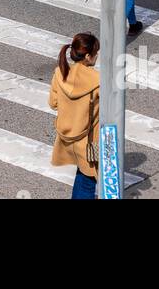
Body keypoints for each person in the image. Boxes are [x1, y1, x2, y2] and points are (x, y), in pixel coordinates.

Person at [49, 33, 101, 199]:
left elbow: (53, 103)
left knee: (83, 173)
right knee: (89, 179)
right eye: (96, 52)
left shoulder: (60, 72)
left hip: (67, 136)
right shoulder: (98, 80)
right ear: (88, 56)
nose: (97, 55)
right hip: (90, 140)